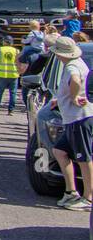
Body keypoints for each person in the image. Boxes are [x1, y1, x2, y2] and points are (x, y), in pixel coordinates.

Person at [49, 35, 93, 210]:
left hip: (79, 118)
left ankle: (88, 198)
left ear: (61, 54)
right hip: (74, 118)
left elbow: (74, 81)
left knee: (84, 157)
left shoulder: (72, 67)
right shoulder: (78, 62)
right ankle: (71, 192)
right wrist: (59, 100)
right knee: (59, 151)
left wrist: (74, 97)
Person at [0, 40, 20, 115]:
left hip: (2, 75)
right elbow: (18, 63)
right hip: (13, 75)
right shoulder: (16, 51)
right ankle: (11, 110)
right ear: (12, 43)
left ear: (4, 42)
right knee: (13, 93)